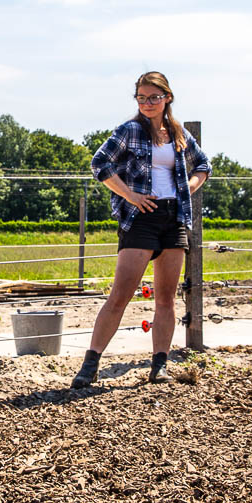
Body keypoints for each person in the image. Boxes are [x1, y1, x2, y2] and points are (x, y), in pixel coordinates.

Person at [71, 71, 211, 389]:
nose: (147, 103)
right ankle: (90, 365)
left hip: (174, 219)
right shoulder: (130, 130)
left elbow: (203, 165)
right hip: (141, 217)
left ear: (167, 98)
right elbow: (100, 164)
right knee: (120, 296)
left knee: (166, 299)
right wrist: (130, 195)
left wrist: (188, 187)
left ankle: (159, 366)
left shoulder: (178, 133)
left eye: (154, 97)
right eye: (141, 98)